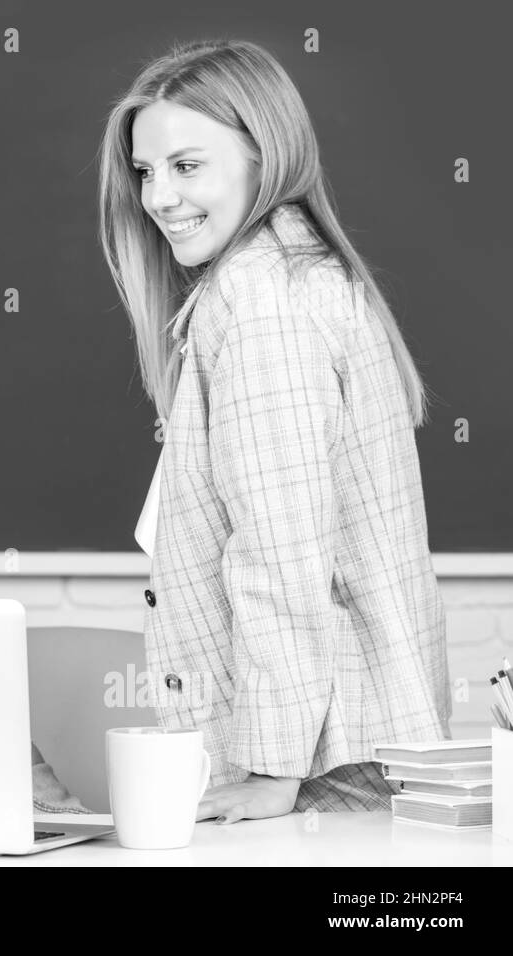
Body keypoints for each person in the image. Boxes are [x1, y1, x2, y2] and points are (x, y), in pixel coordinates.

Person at [95, 38, 450, 822]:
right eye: (147, 172)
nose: (157, 198)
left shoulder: (261, 303)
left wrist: (272, 767)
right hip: (351, 746)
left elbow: (280, 552)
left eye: (188, 166)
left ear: (266, 156)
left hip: (322, 763)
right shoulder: (292, 276)